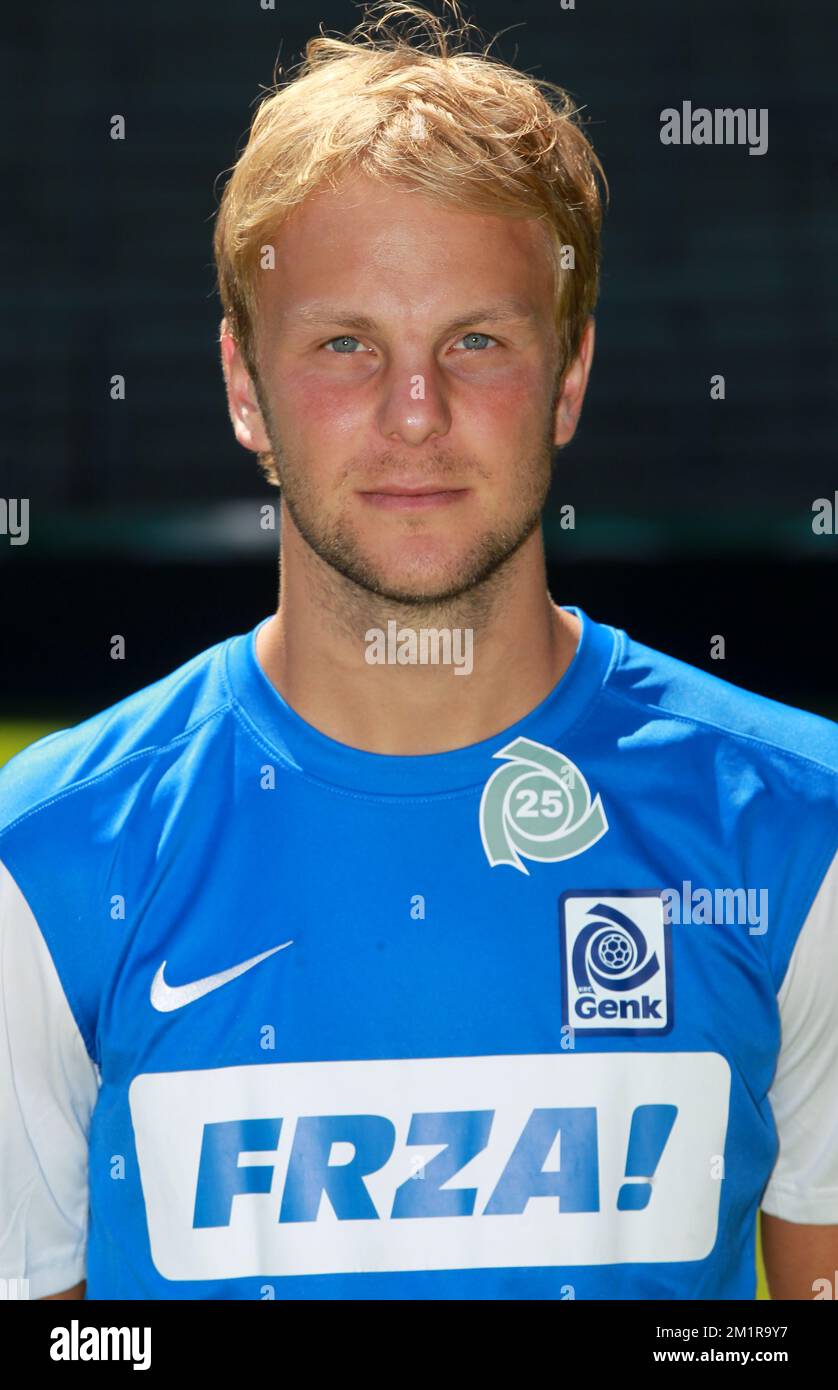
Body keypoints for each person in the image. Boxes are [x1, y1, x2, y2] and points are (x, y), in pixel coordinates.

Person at [1, 1, 836, 1301]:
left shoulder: (800, 831)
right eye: (345, 344)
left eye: (477, 342)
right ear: (242, 385)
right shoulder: (47, 864)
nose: (414, 412)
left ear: (566, 377)